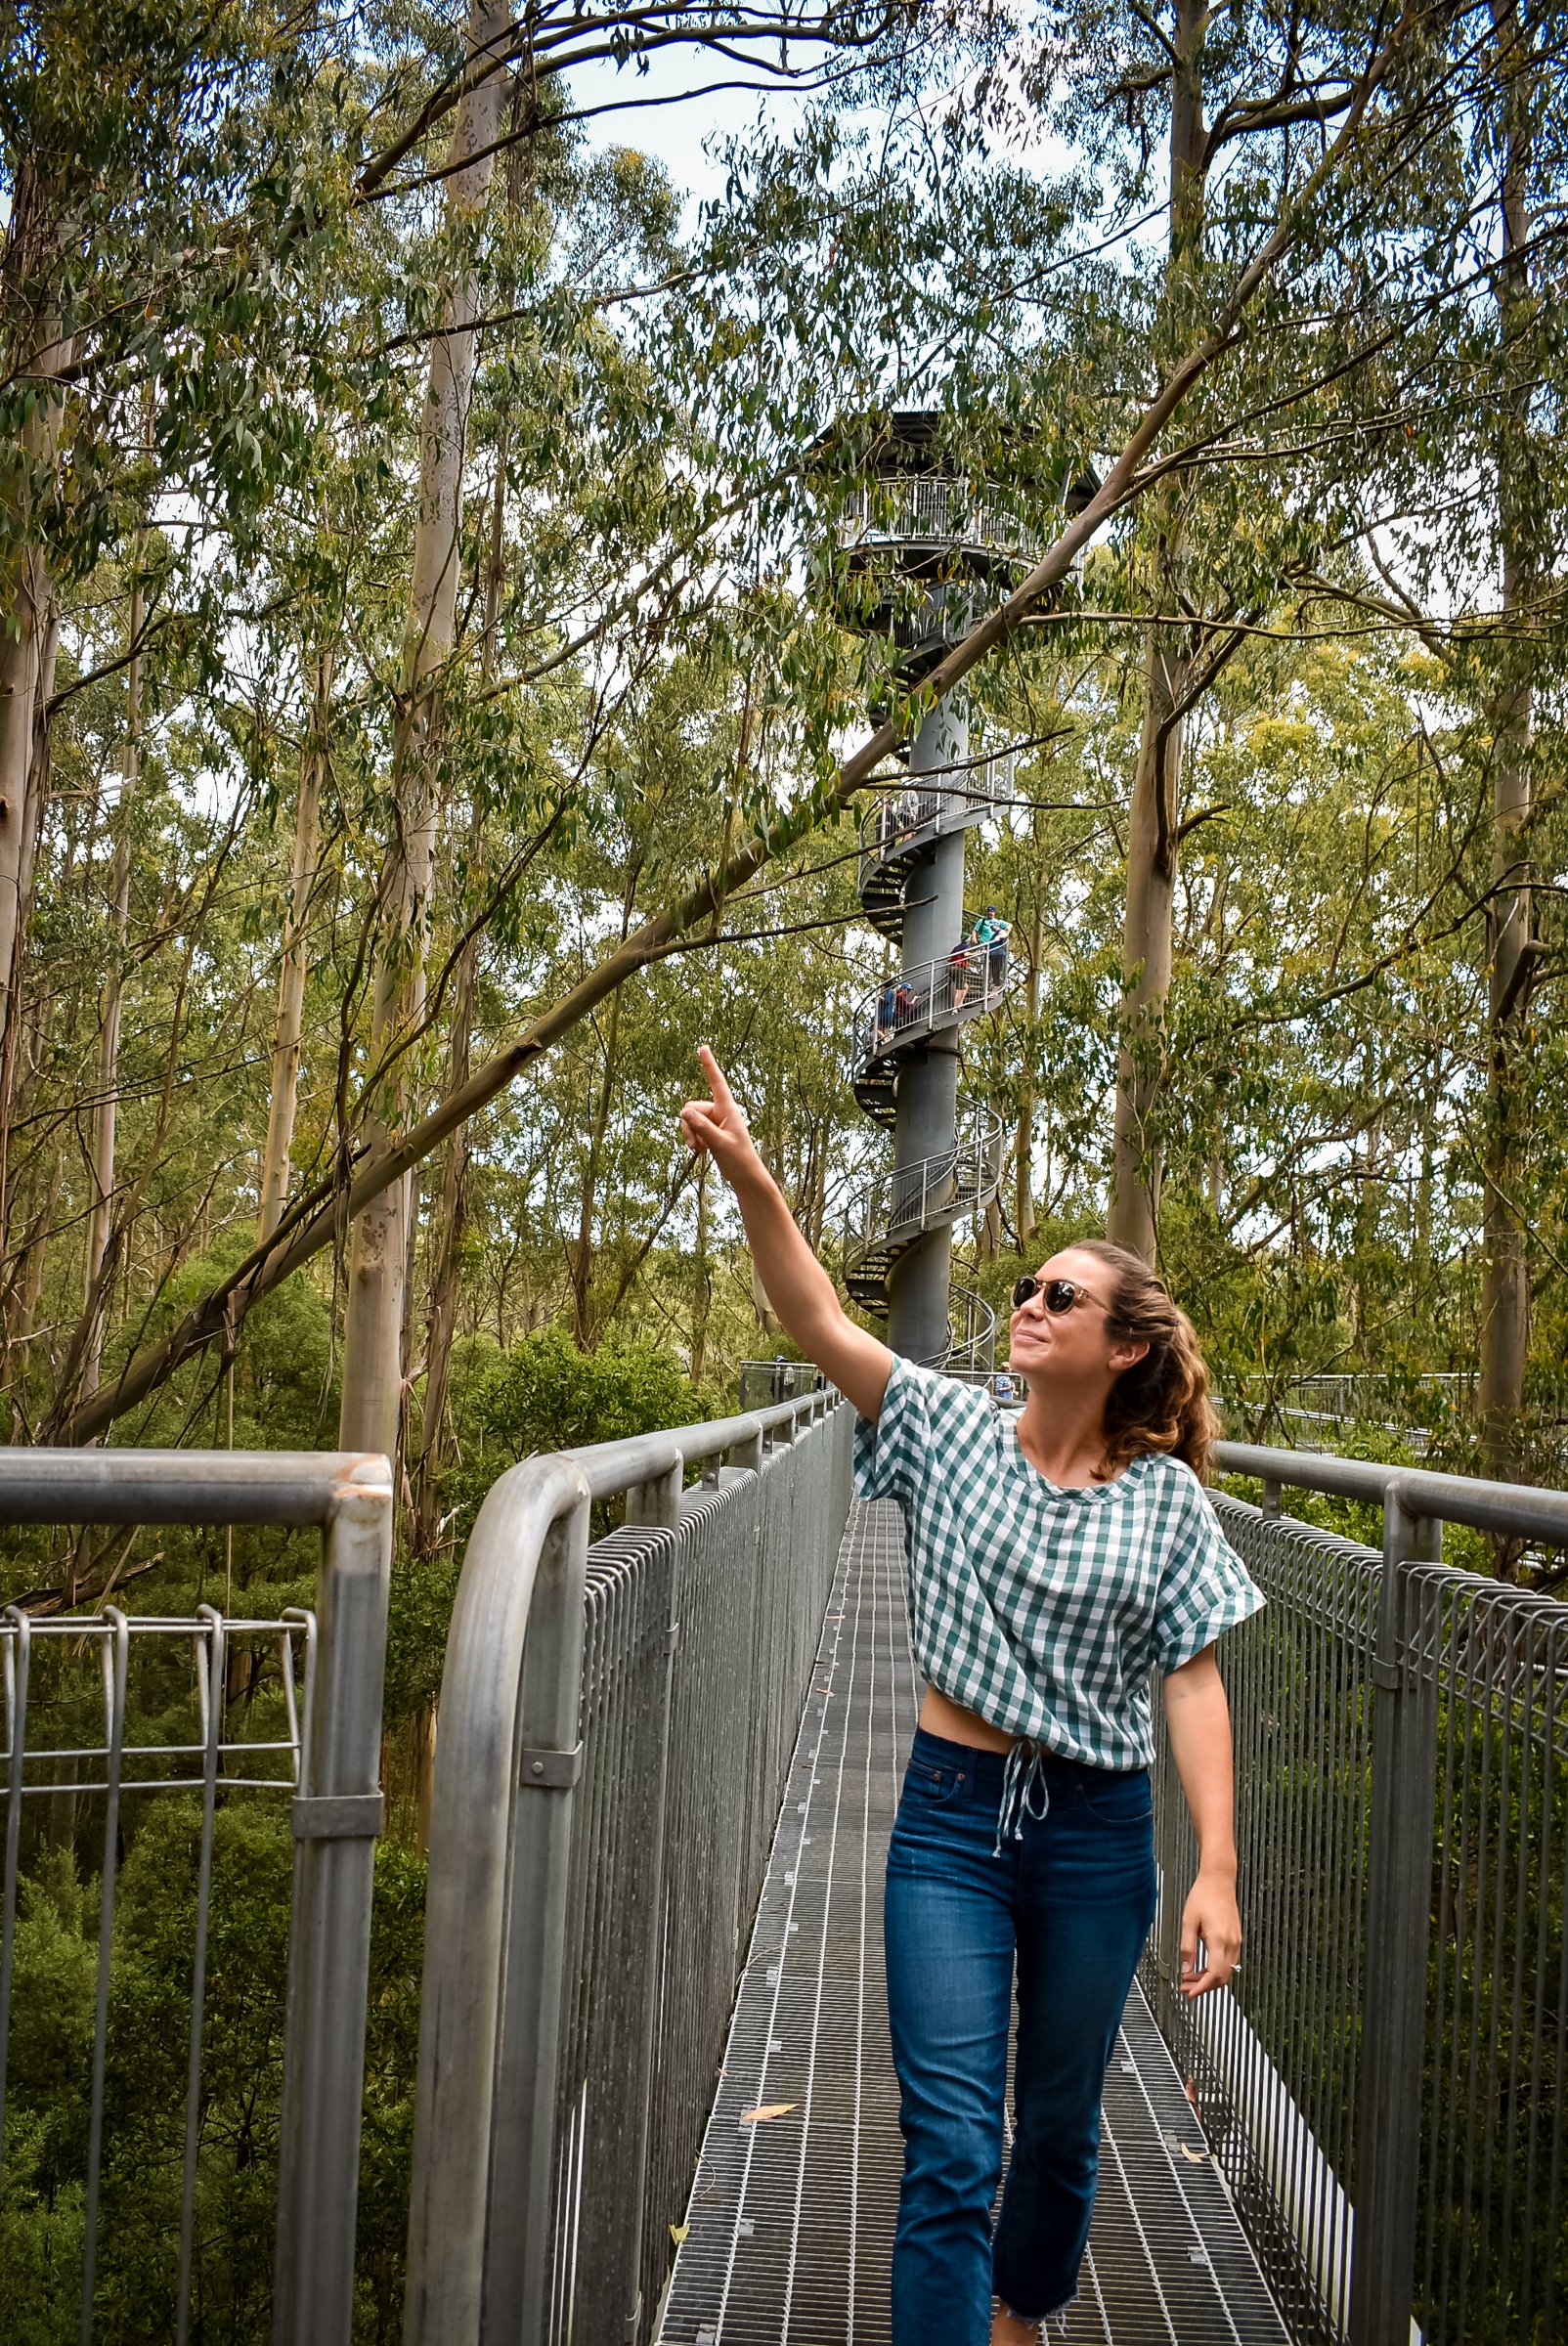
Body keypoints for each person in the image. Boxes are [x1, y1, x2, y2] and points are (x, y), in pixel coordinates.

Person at [678, 1048, 1262, 2346]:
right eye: (1024, 1286)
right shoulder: (943, 1427)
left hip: (1100, 1838)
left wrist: (1215, 1863)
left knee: (1056, 2132)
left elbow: (1196, 1674)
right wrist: (754, 1176)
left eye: (1060, 1293)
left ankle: (1023, 2314)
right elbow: (818, 1321)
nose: (1028, 1302)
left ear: (1120, 1348)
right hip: (948, 1823)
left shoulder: (1165, 1500)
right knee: (948, 2142)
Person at [973, 906, 1010, 994]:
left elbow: (1004, 933)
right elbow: (975, 930)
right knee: (988, 966)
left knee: (995, 971)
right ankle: (987, 984)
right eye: (989, 911)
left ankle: (992, 987)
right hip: (987, 947)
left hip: (996, 952)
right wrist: (974, 938)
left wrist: (1000, 936)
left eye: (992, 912)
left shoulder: (999, 931)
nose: (992, 927)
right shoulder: (982, 921)